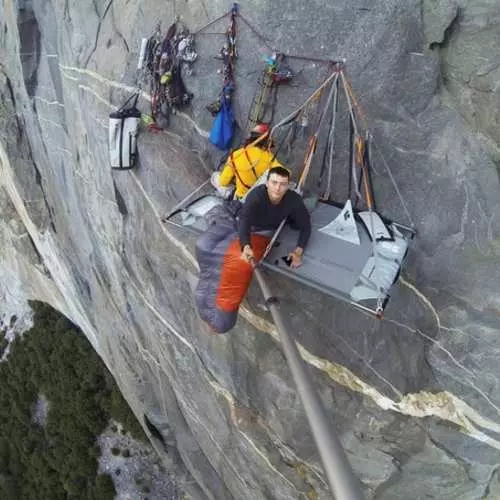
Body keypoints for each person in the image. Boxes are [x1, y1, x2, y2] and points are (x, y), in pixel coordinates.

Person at [238, 166, 311, 268]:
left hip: (273, 230)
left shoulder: (294, 200)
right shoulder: (256, 196)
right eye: (274, 182)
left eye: (282, 184)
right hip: (251, 229)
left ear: (288, 186)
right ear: (267, 183)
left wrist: (298, 252)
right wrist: (246, 246)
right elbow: (244, 220)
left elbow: (306, 225)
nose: (277, 188)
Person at [211, 123, 283, 199]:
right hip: (259, 198)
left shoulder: (235, 155)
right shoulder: (268, 158)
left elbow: (223, 182)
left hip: (242, 198)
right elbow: (285, 174)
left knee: (215, 176)